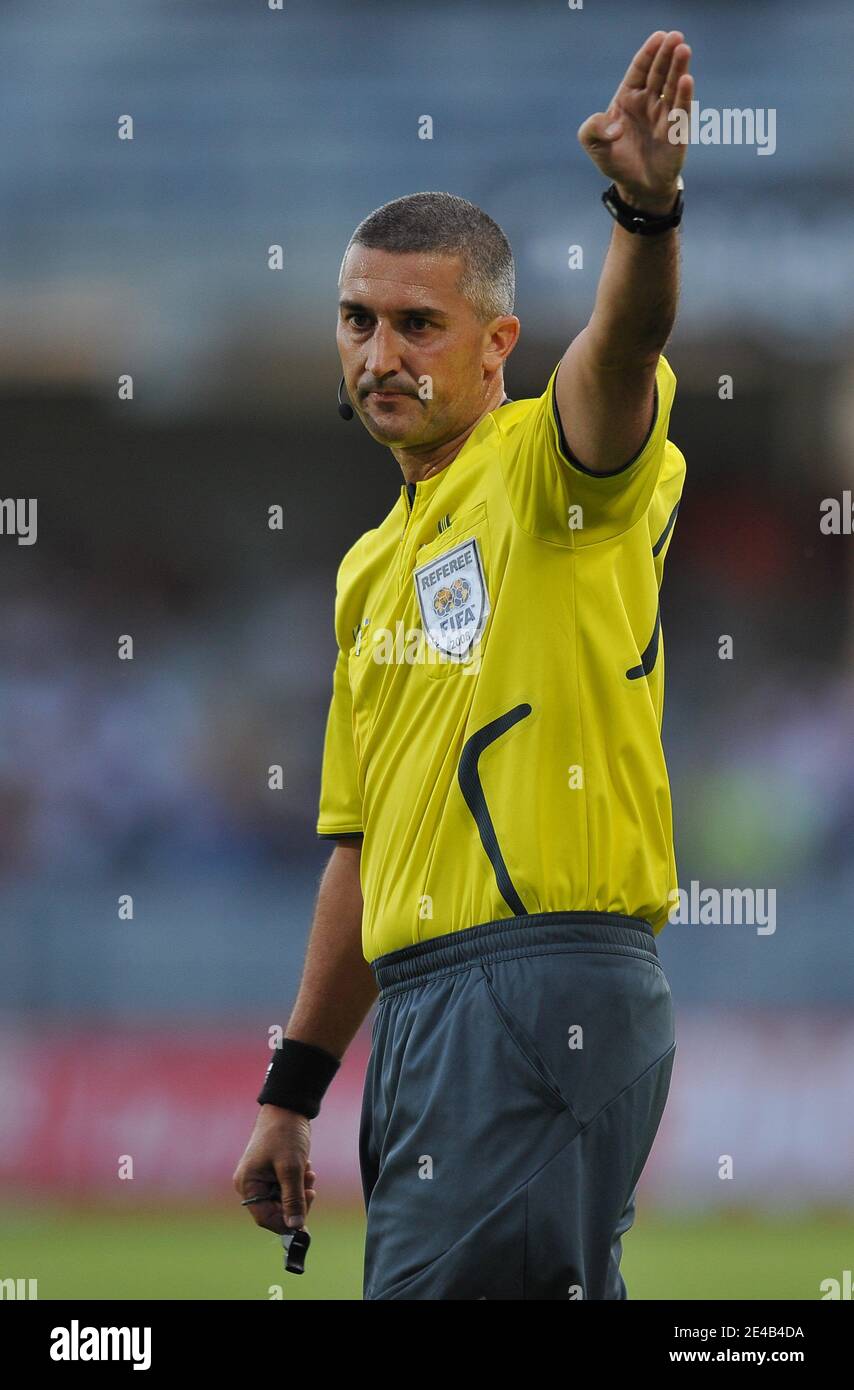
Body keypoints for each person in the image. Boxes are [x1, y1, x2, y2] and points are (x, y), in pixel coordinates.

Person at [234, 29, 692, 1300]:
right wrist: (294, 1085)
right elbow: (361, 848)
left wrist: (643, 212)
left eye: (418, 325)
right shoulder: (370, 567)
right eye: (358, 320)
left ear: (496, 345)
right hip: (430, 1005)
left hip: (544, 975)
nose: (381, 353)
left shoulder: (552, 467)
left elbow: (620, 351)